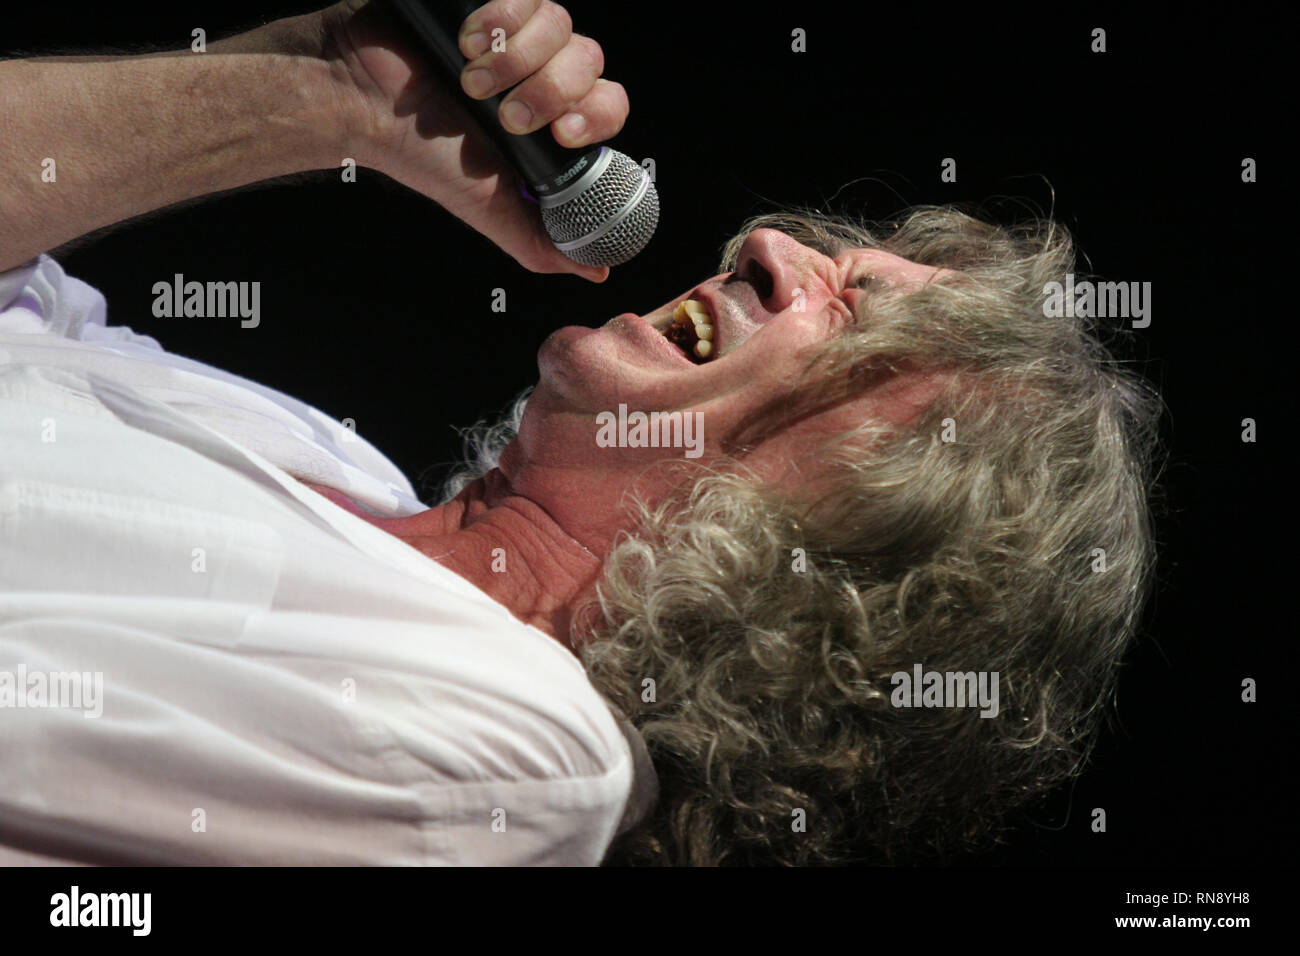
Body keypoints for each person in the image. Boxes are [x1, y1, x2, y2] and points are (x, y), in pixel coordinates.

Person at [0, 0, 1162, 866]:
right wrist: (327, 90)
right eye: (840, 260)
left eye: (859, 323)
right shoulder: (331, 459)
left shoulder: (523, 754)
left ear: (878, 552)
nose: (767, 246)